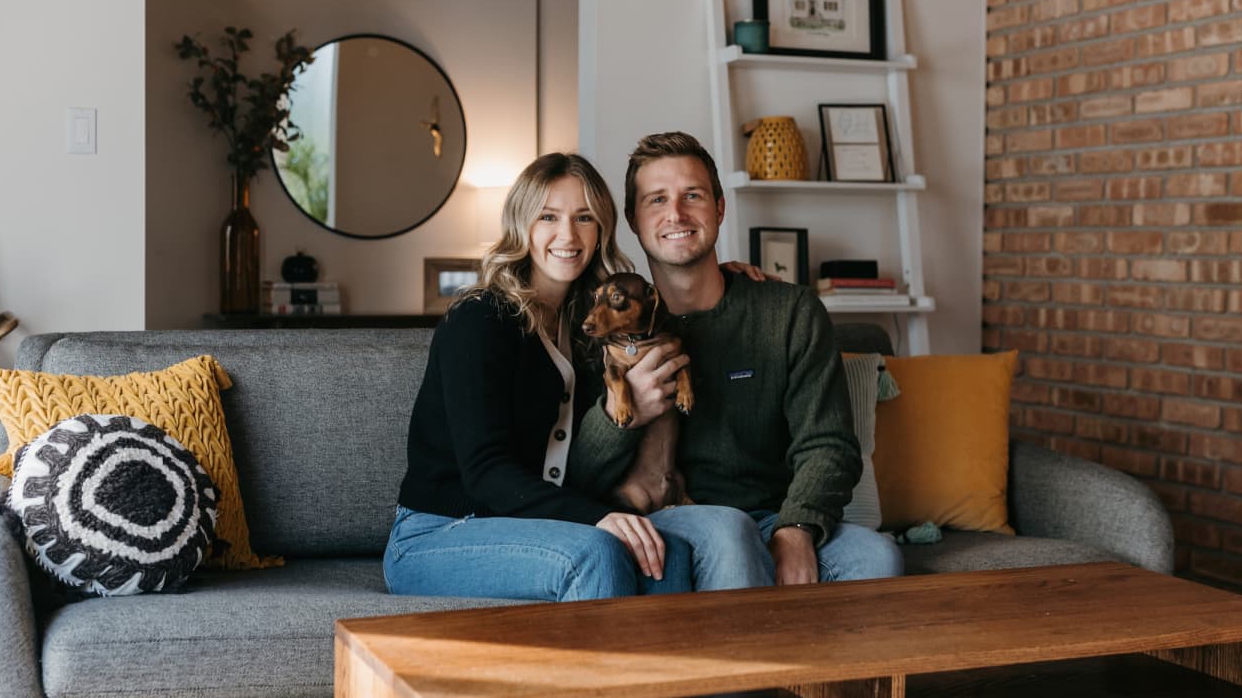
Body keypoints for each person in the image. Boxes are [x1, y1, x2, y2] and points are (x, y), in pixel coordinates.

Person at [569, 132, 903, 590]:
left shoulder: (789, 312)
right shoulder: (606, 327)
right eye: (657, 200)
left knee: (876, 556)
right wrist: (622, 415)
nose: (676, 214)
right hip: (670, 520)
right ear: (633, 218)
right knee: (729, 531)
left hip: (772, 517)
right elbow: (580, 475)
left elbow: (827, 443)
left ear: (720, 208)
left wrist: (797, 527)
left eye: (693, 195)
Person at [385, 152, 692, 602]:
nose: (568, 235)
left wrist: (734, 278)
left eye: (584, 217)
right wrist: (596, 517)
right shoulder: (479, 319)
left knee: (668, 553)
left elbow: (671, 325)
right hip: (438, 534)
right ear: (522, 225)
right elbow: (485, 472)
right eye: (548, 216)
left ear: (601, 230)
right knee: (595, 553)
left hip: (536, 526)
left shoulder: (589, 325)